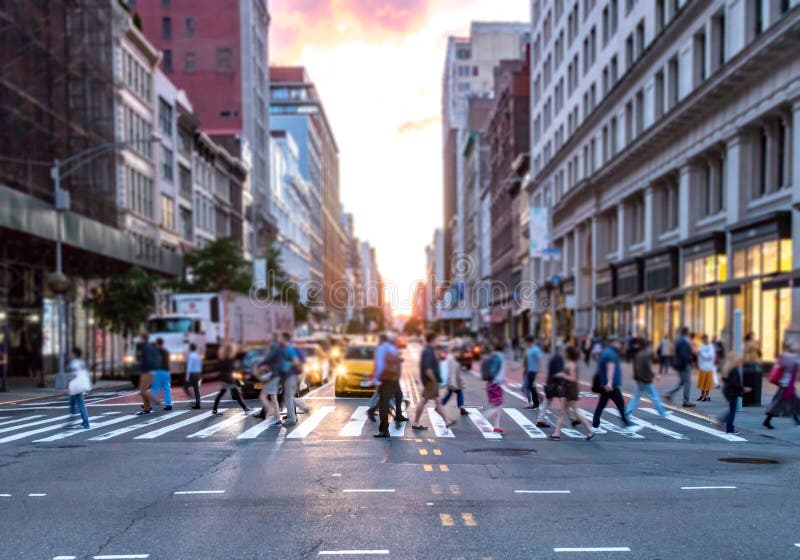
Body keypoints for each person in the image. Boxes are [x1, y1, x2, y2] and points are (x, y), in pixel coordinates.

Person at [549, 346, 594, 441]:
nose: (563, 353)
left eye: (565, 352)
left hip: (569, 390)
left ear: (568, 354)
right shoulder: (570, 363)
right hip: (567, 389)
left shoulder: (571, 365)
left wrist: (562, 375)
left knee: (572, 411)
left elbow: (573, 378)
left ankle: (590, 430)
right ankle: (556, 433)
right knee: (564, 411)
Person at [592, 336, 637, 430]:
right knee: (620, 403)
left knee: (602, 404)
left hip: (604, 383)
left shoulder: (606, 352)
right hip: (610, 385)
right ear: (614, 343)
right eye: (619, 343)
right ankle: (626, 423)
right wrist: (609, 382)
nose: (620, 345)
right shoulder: (611, 354)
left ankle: (595, 425)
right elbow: (610, 369)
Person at [411, 333, 454, 430]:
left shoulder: (430, 350)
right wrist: (434, 380)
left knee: (437, 401)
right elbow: (427, 369)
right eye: (437, 339)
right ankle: (416, 422)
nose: (439, 341)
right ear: (432, 340)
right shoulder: (428, 351)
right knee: (424, 400)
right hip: (431, 381)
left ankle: (447, 421)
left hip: (432, 381)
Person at [762, 339, 800, 430]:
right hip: (787, 385)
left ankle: (796, 419)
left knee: (792, 402)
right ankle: (767, 420)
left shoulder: (784, 357)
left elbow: (780, 366)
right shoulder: (795, 358)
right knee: (780, 403)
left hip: (784, 383)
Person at [625, 340, 667, 418]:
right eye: (651, 347)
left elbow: (635, 367)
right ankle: (662, 413)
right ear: (648, 347)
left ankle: (628, 411)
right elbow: (648, 368)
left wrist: (637, 377)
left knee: (637, 396)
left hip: (640, 378)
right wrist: (655, 376)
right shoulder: (646, 355)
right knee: (654, 396)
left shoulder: (639, 354)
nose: (652, 349)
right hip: (645, 379)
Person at [373, 333, 402, 438]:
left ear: (381, 339)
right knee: (387, 402)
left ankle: (384, 430)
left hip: (385, 380)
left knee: (383, 405)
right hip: (393, 379)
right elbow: (397, 364)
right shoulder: (393, 349)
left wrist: (375, 378)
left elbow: (380, 366)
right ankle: (386, 426)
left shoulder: (381, 349)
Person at [211, 343, 250, 416]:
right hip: (228, 380)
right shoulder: (229, 361)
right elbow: (231, 371)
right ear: (231, 351)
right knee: (236, 395)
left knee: (223, 394)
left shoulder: (223, 359)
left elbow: (221, 370)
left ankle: (214, 410)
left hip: (225, 380)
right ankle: (245, 408)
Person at [280, 332, 310, 425]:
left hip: (291, 375)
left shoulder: (289, 349)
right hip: (291, 375)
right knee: (288, 397)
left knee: (288, 397)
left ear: (284, 339)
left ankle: (292, 418)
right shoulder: (288, 348)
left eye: (280, 338)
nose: (279, 339)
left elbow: (296, 362)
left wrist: (284, 365)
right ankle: (303, 407)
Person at [256, 335, 284, 426]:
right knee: (273, 397)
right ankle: (277, 418)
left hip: (272, 377)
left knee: (262, 396)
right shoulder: (278, 350)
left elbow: (266, 361)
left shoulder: (272, 350)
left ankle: (270, 410)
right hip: (276, 376)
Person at [665, 327, 696, 407]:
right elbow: (684, 354)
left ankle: (669, 394)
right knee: (687, 382)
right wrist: (690, 360)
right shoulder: (684, 341)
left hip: (678, 363)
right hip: (684, 364)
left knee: (682, 382)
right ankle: (686, 401)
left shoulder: (678, 340)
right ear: (687, 333)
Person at [719, 351, 745, 434]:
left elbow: (725, 379)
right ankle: (729, 427)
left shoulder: (727, 368)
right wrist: (742, 389)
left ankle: (723, 421)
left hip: (727, 391)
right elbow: (735, 383)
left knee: (732, 408)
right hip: (733, 392)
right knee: (733, 410)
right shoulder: (734, 369)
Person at [484, 340, 506, 434]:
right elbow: (493, 371)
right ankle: (485, 416)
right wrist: (496, 380)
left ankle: (497, 427)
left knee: (496, 405)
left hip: (491, 383)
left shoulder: (493, 356)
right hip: (494, 384)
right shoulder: (498, 357)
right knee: (499, 405)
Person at [66, 346, 91, 429]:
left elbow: (74, 374)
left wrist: (68, 382)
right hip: (80, 385)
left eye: (70, 353)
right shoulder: (81, 362)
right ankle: (71, 421)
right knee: (72, 402)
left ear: (74, 354)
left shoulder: (74, 363)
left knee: (80, 403)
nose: (69, 355)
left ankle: (85, 423)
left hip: (76, 386)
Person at [136, 332, 159, 416]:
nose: (139, 339)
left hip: (147, 371)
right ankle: (147, 408)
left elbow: (148, 360)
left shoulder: (146, 347)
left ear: (143, 338)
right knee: (143, 390)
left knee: (142, 390)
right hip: (148, 371)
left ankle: (154, 400)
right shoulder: (147, 346)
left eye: (140, 338)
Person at [441, 345, 467, 416]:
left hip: (455, 381)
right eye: (458, 352)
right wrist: (453, 383)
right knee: (457, 393)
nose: (459, 354)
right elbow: (452, 372)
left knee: (452, 394)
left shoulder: (453, 358)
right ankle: (461, 409)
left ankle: (461, 409)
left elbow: (457, 370)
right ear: (455, 351)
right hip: (453, 382)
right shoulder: (452, 359)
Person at [149, 338, 173, 411]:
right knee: (167, 388)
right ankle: (169, 405)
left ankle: (148, 405)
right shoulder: (166, 351)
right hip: (167, 371)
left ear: (157, 343)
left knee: (155, 388)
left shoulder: (156, 351)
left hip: (159, 371)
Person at [523, 336, 542, 409]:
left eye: (526, 342)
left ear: (529, 342)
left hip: (534, 371)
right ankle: (539, 399)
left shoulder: (536, 350)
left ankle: (536, 403)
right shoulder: (529, 350)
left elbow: (539, 360)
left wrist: (539, 371)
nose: (525, 344)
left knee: (532, 387)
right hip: (529, 371)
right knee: (531, 387)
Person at [696, 334, 716, 402]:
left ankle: (707, 395)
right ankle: (702, 395)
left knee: (707, 382)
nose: (704, 340)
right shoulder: (702, 345)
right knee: (702, 382)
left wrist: (701, 353)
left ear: (707, 339)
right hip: (702, 366)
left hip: (708, 367)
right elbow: (699, 354)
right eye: (703, 339)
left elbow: (710, 356)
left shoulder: (710, 346)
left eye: (705, 339)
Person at [184, 343, 203, 409]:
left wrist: (187, 376)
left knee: (186, 387)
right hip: (198, 373)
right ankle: (198, 403)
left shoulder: (191, 356)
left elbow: (189, 367)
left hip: (193, 374)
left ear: (190, 348)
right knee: (196, 388)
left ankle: (192, 399)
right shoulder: (198, 355)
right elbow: (200, 365)